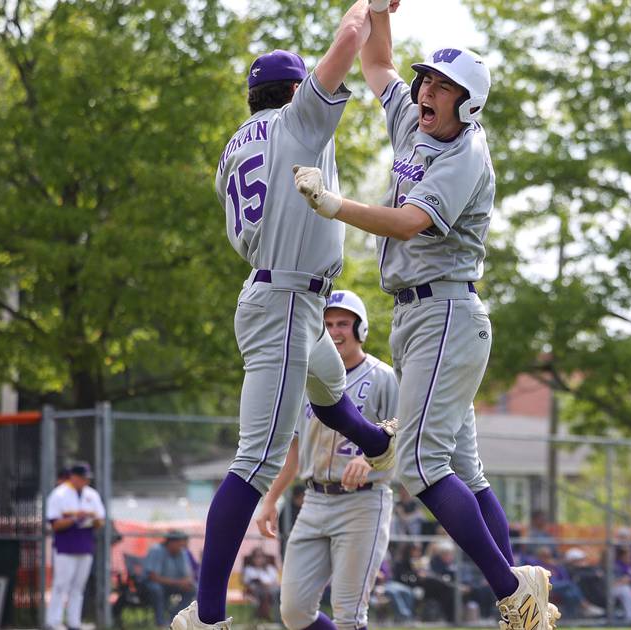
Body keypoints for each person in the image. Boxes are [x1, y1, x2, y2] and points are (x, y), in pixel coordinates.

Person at [292, 6, 556, 629]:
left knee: (417, 466)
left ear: (469, 106)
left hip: (445, 312)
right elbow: (379, 62)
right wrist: (379, 9)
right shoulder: (417, 120)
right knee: (462, 469)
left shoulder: (466, 152)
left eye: (442, 87)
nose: (425, 92)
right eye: (427, 82)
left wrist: (335, 205)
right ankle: (526, 604)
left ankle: (510, 593)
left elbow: (412, 221)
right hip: (418, 316)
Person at [173, 4, 404, 628]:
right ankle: (209, 616)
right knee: (256, 461)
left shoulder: (234, 146)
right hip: (283, 301)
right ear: (297, 91)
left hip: (287, 294)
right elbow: (350, 38)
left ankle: (378, 442)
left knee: (329, 387)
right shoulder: (299, 122)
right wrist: (369, 6)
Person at [253, 290, 399, 630]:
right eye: (328, 323)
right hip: (314, 501)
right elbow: (294, 447)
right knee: (294, 612)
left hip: (363, 503)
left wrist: (371, 457)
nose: (335, 331)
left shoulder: (383, 376)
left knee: (349, 614)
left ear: (360, 329)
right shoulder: (309, 377)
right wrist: (271, 499)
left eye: (344, 323)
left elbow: (404, 431)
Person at [46, 462, 106, 630]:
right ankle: (53, 621)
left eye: (86, 478)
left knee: (78, 587)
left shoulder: (92, 494)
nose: (84, 482)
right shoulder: (59, 494)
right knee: (60, 585)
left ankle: (74, 622)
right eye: (81, 478)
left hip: (85, 545)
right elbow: (54, 523)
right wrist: (74, 518)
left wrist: (89, 519)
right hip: (65, 546)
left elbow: (100, 520)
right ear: (72, 476)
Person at [143, 531, 196, 627]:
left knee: (192, 588)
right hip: (151, 584)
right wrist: (179, 582)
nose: (182, 547)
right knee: (156, 589)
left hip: (171, 585)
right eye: (180, 544)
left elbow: (187, 575)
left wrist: (186, 582)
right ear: (171, 542)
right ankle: (160, 623)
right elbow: (153, 577)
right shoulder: (157, 550)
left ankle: (174, 619)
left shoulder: (181, 552)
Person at [240, 549, 280, 621]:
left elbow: (276, 582)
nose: (259, 559)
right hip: (256, 591)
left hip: (272, 590)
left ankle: (277, 617)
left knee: (278, 592)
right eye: (256, 557)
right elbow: (246, 583)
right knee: (265, 591)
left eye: (261, 556)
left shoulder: (270, 569)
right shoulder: (249, 569)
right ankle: (266, 616)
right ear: (252, 559)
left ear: (265, 558)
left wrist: (267, 585)